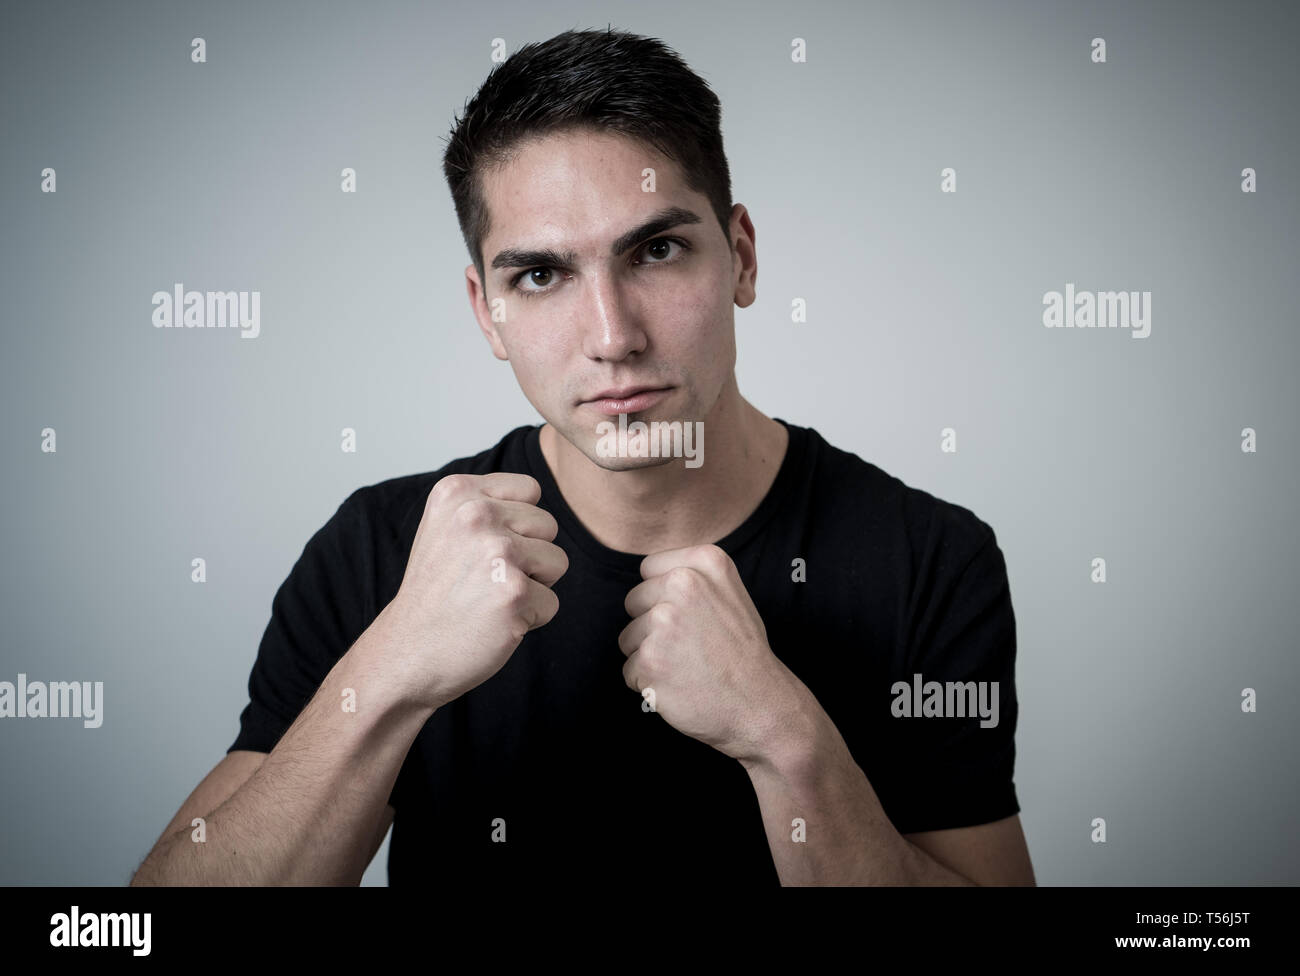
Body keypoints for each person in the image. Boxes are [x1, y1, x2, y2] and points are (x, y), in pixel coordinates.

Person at [132, 27, 1034, 886]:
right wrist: (391, 668)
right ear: (487, 311)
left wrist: (784, 738)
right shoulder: (381, 548)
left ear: (743, 259)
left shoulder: (928, 558)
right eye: (541, 275)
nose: (612, 336)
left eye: (657, 250)